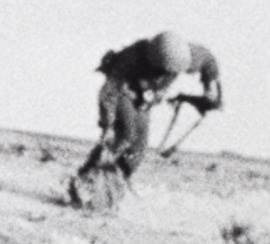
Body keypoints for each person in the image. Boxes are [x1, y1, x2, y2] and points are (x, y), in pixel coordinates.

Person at [68, 30, 222, 205]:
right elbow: (109, 92)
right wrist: (108, 126)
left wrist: (211, 86)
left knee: (138, 151)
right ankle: (84, 181)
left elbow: (208, 61)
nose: (168, 75)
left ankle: (109, 192)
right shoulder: (132, 57)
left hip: (145, 101)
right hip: (124, 93)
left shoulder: (185, 55)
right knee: (125, 136)